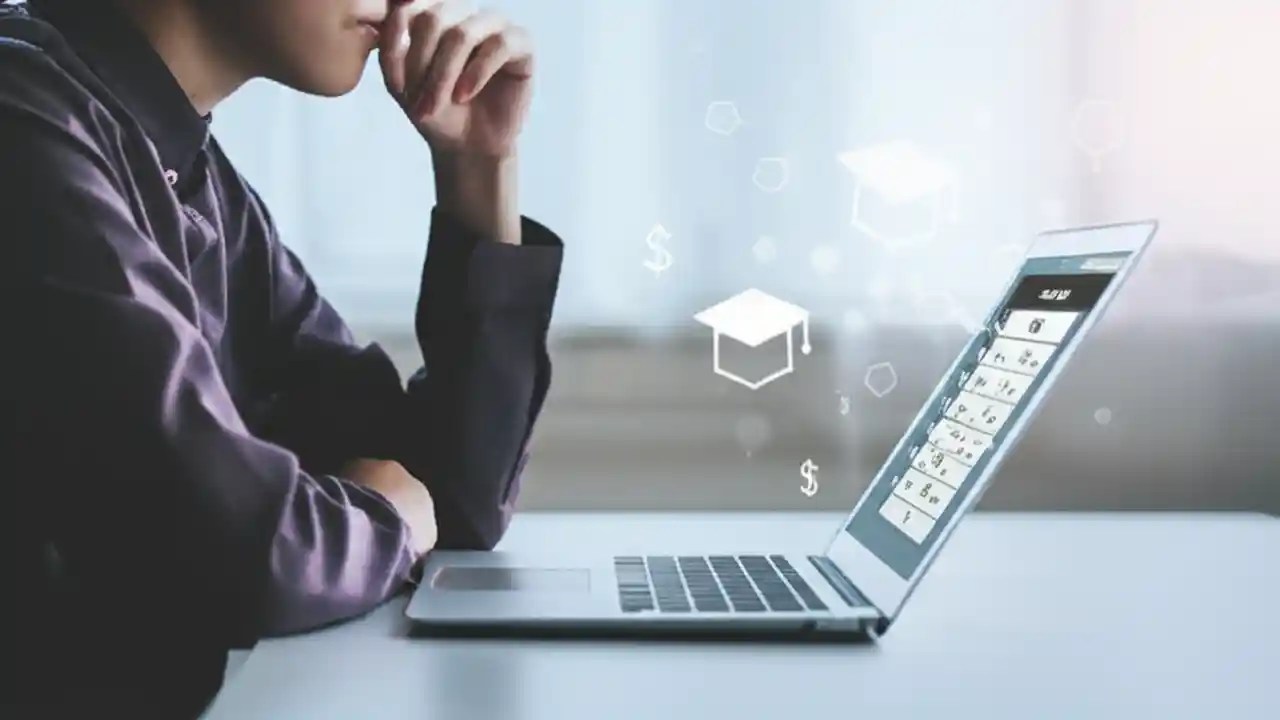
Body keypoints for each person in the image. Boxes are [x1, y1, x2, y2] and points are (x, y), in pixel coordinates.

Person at [0, 0, 561, 715]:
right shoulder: (24, 125)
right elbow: (235, 554)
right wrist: (386, 518)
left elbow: (447, 498)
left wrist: (478, 166)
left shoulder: (184, 166)